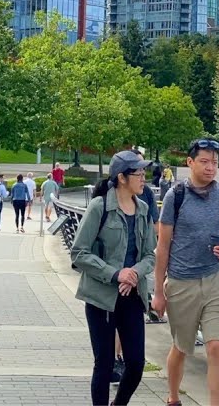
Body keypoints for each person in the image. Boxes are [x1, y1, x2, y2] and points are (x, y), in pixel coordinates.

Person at [152, 138, 219, 406]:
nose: (211, 167)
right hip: (181, 283)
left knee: (216, 346)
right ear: (189, 162)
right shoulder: (175, 196)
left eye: (214, 162)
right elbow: (163, 246)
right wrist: (158, 293)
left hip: (214, 281)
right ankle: (174, 397)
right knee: (181, 348)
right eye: (204, 161)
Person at [70, 150, 157, 406]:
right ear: (121, 177)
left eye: (144, 173)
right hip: (101, 298)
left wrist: (135, 273)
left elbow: (150, 255)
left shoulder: (142, 209)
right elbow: (79, 253)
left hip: (133, 296)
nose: (144, 178)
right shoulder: (100, 207)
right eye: (138, 173)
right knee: (105, 364)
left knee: (136, 364)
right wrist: (116, 273)